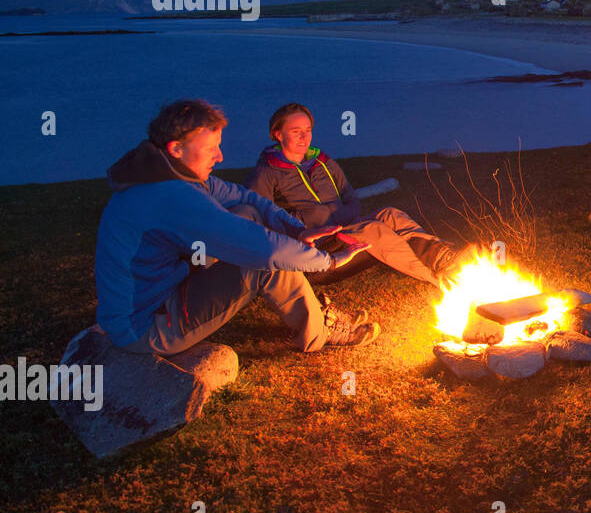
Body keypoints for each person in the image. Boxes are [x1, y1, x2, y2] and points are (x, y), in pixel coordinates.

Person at [95, 99, 380, 356]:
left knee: (247, 213)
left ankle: (314, 315)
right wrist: (327, 261)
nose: (219, 156)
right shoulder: (169, 195)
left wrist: (296, 231)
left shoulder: (162, 172)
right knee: (262, 261)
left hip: (162, 292)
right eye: (210, 149)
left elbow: (245, 197)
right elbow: (263, 249)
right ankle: (320, 331)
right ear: (176, 148)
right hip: (146, 326)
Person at [244, 103, 482, 285]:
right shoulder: (267, 173)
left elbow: (349, 195)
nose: (304, 137)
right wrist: (302, 232)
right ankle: (443, 281)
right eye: (296, 131)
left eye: (307, 130)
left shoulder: (322, 162)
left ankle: (445, 257)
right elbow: (259, 219)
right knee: (372, 230)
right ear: (278, 134)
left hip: (343, 232)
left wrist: (346, 217)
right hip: (315, 252)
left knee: (390, 214)